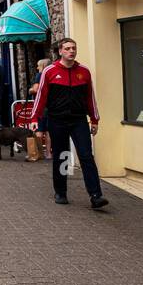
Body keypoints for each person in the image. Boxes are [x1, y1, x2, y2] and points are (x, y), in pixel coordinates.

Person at [31, 38, 107, 209]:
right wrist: (35, 119)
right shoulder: (49, 71)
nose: (71, 51)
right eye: (67, 48)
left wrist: (94, 119)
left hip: (78, 120)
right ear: (60, 51)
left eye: (73, 48)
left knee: (86, 156)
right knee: (62, 155)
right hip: (57, 120)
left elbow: (90, 98)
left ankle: (96, 195)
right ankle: (61, 191)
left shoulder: (84, 71)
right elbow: (41, 97)